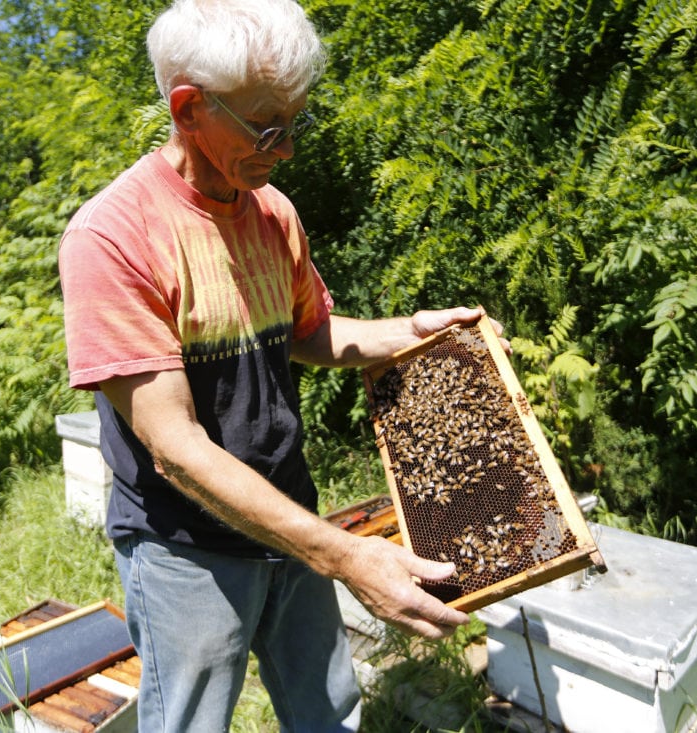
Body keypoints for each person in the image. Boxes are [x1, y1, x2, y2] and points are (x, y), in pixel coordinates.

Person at [58, 0, 507, 729]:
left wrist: (409, 332)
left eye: (296, 122)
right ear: (190, 108)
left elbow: (308, 331)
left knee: (329, 710)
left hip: (292, 513)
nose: (289, 149)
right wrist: (345, 556)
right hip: (185, 547)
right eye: (268, 128)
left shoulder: (271, 210)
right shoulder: (113, 238)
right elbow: (176, 450)